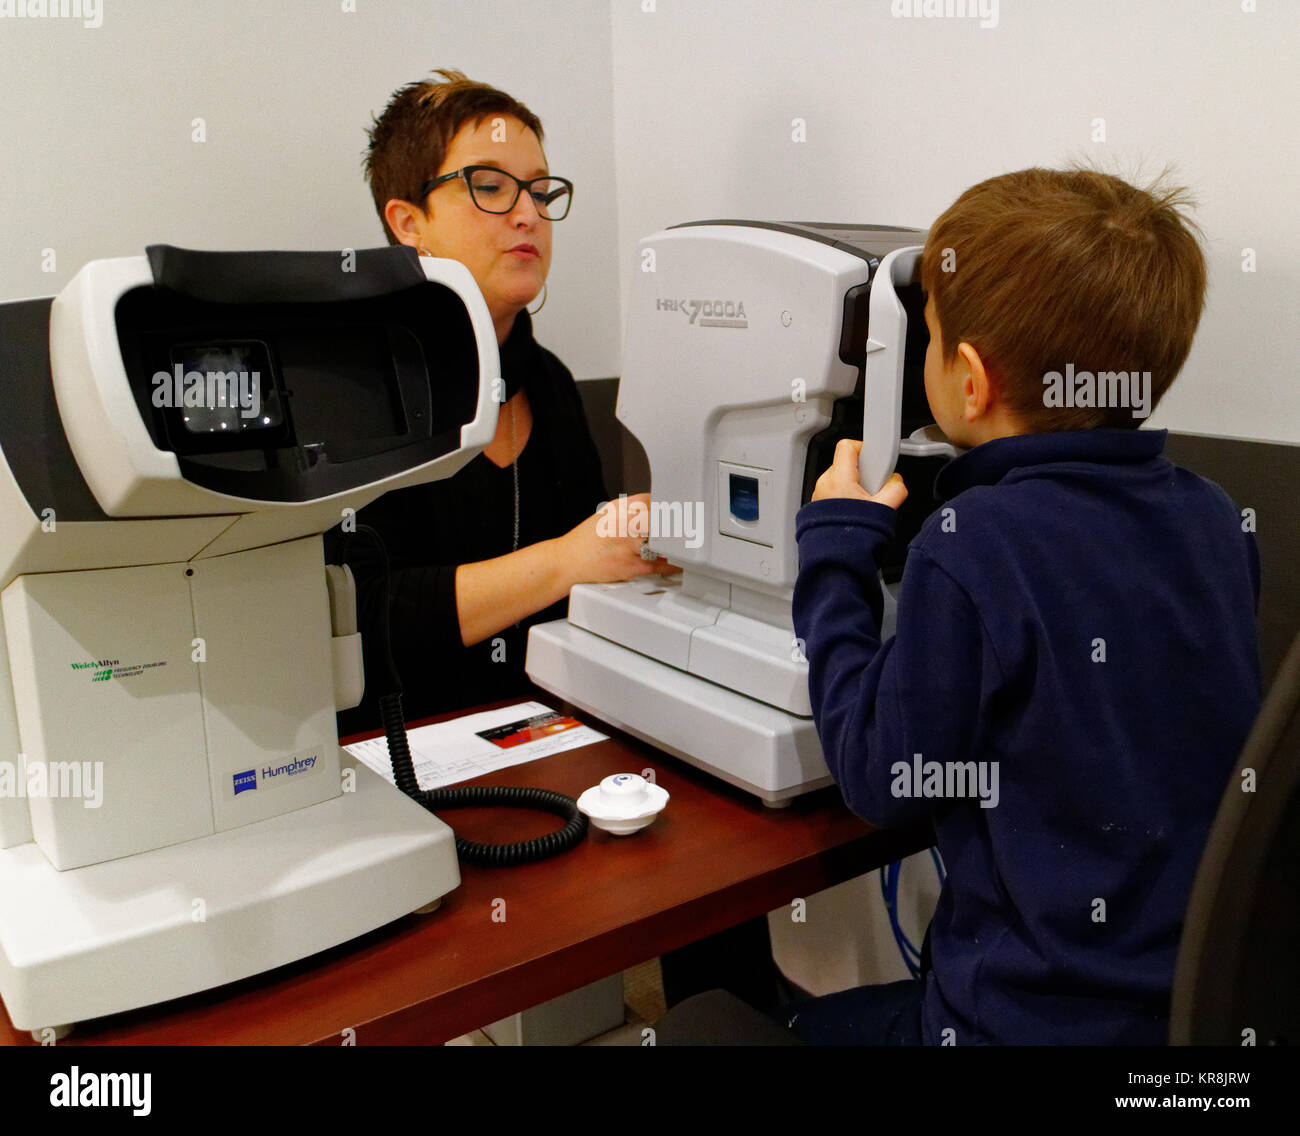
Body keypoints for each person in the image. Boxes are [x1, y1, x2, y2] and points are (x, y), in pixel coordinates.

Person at [788, 167, 1261, 1044]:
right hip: (1183, 1020)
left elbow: (880, 778)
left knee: (799, 1029)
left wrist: (834, 550)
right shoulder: (1214, 515)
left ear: (968, 378)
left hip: (1023, 1024)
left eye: (926, 338)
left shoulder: (973, 542)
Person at [330, 70, 673, 733]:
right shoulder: (357, 392)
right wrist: (565, 560)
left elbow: (591, 581)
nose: (528, 214)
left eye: (541, 191)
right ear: (409, 222)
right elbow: (353, 616)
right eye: (488, 187)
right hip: (391, 761)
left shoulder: (549, 383)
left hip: (549, 738)